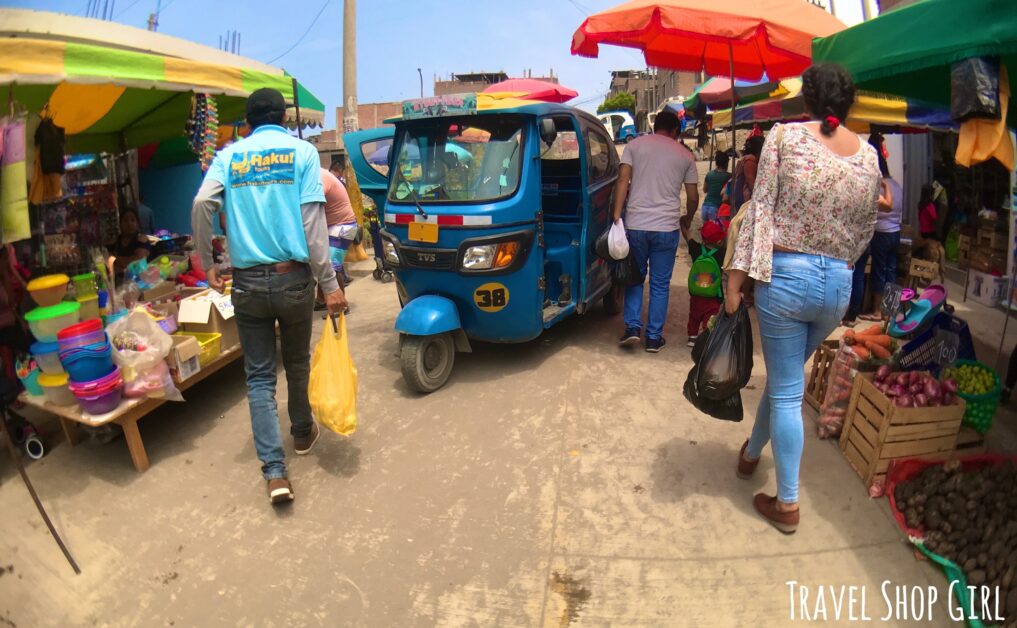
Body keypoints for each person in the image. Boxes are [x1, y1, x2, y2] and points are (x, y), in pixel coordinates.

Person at [725, 63, 882, 533]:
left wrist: (736, 279)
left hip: (787, 279)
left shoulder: (784, 138)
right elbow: (865, 230)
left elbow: (760, 212)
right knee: (787, 378)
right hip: (837, 286)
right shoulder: (870, 156)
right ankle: (752, 453)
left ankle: (788, 503)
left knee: (789, 389)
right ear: (849, 103)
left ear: (807, 99)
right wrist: (841, 264)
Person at [192, 88, 347, 505]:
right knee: (295, 361)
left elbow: (203, 201)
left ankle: (275, 474)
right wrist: (329, 285)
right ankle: (301, 434)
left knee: (259, 375)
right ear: (283, 116)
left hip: (245, 283)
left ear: (248, 121)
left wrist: (206, 260)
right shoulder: (302, 153)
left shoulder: (229, 156)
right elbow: (313, 226)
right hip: (293, 278)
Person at [613, 110, 699, 353]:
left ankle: (632, 328)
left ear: (654, 127)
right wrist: (688, 218)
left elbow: (622, 180)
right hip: (667, 227)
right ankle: (653, 337)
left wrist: (617, 215)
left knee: (635, 279)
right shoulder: (685, 154)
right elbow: (693, 196)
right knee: (660, 284)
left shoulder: (634, 146)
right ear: (675, 131)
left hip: (636, 225)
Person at [687, 220, 725, 347]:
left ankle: (692, 337)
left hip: (696, 293)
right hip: (713, 294)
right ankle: (707, 337)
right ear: (720, 241)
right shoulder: (722, 254)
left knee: (694, 315)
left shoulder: (695, 249)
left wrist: (684, 224)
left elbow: (688, 238)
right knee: (710, 317)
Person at [321, 167, 357, 291]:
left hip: (341, 226)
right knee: (323, 265)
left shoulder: (320, 177)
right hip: (337, 226)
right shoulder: (322, 174)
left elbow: (315, 203)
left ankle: (341, 305)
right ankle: (321, 299)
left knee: (331, 267)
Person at [110, 209, 152, 276]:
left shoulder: (142, 239)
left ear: (137, 224)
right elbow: (109, 263)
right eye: (125, 220)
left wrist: (116, 259)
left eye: (132, 220)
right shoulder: (116, 240)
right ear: (120, 224)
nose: (129, 223)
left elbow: (137, 263)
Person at [701, 151, 731, 223]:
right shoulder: (729, 176)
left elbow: (704, 190)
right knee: (715, 232)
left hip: (705, 206)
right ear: (727, 163)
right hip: (716, 208)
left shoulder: (709, 174)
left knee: (706, 231)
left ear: (716, 163)